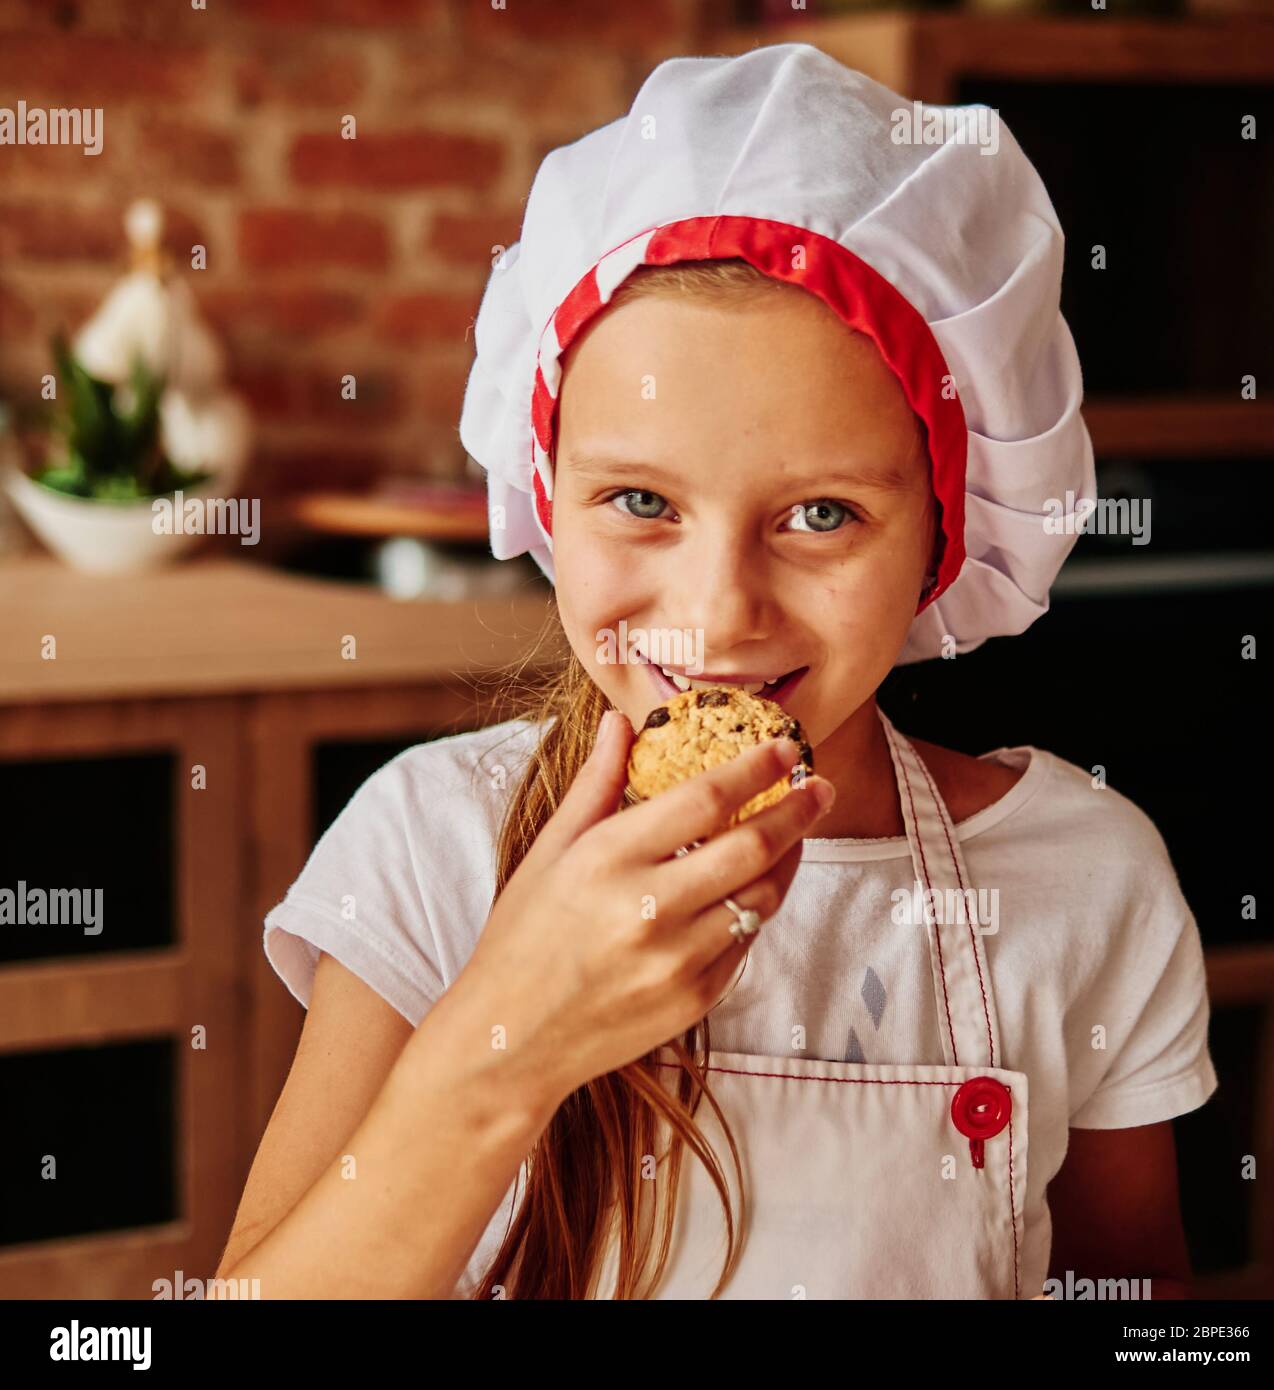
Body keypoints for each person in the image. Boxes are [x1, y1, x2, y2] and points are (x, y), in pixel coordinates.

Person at [214, 44, 1216, 1300]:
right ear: (547, 498)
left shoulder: (1086, 879)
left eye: (821, 516)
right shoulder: (433, 850)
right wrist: (509, 1042)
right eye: (640, 499)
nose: (717, 613)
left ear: (944, 535)